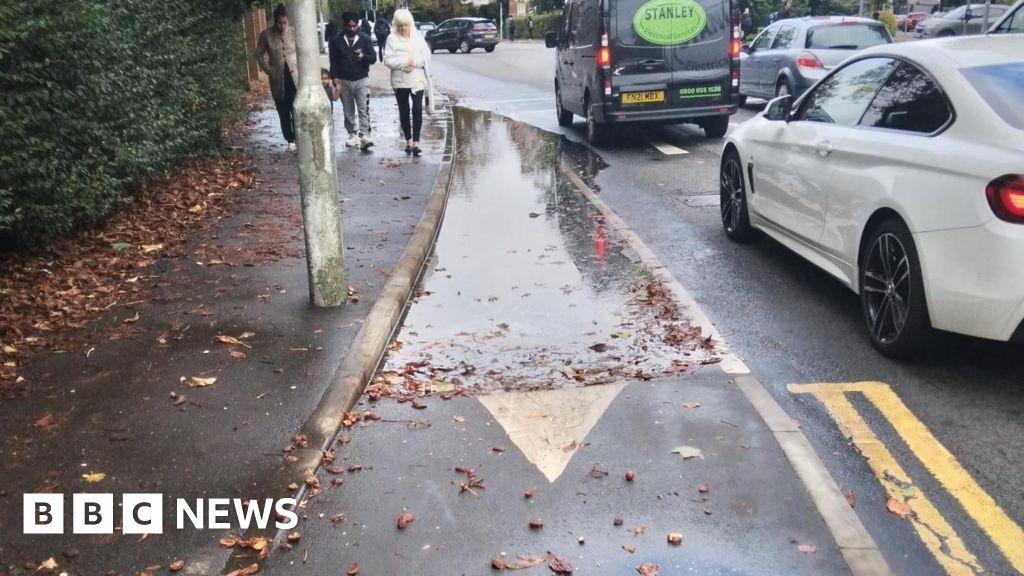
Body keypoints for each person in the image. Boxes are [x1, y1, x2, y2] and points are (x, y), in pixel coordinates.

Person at [384, 9, 430, 157]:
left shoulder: (417, 37)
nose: (403, 28)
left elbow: (426, 56)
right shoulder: (391, 39)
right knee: (404, 111)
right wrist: (404, 62)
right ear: (396, 25)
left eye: (406, 25)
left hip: (417, 79)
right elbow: (387, 60)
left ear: (410, 24)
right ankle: (408, 140)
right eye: (400, 25)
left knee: (417, 109)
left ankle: (417, 142)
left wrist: (414, 63)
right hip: (399, 81)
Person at [330, 11, 378, 151]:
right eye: (349, 26)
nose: (351, 29)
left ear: (357, 25)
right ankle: (352, 134)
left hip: (362, 78)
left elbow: (373, 58)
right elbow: (333, 61)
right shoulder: (336, 40)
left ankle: (365, 135)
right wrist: (334, 77)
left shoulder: (365, 39)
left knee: (363, 107)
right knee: (348, 109)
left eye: (354, 26)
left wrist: (363, 56)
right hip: (344, 80)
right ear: (344, 25)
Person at [256, 5, 299, 152]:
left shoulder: (293, 33)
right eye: (280, 23)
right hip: (278, 79)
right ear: (275, 21)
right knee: (283, 110)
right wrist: (268, 70)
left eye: (285, 23)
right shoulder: (266, 35)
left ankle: (299, 138)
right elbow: (259, 54)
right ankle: (290, 139)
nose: (282, 26)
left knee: (296, 109)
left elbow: (301, 51)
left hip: (294, 78)